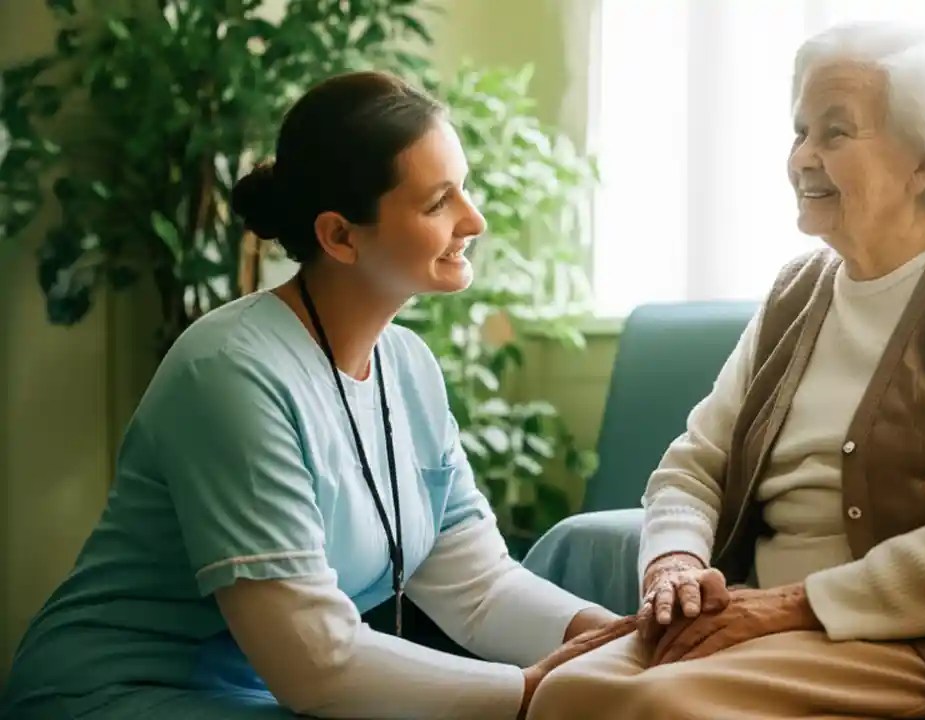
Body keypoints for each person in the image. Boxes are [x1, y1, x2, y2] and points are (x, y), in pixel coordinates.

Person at [524, 21, 925, 719]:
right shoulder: (799, 292)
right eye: (798, 130)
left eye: (835, 134)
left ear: (923, 160)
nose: (802, 156)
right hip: (765, 622)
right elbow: (694, 466)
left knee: (657, 709)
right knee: (556, 691)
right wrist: (674, 564)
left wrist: (791, 606)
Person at [0, 71, 631, 720]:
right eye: (439, 202)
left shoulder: (410, 368)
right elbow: (316, 664)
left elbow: (478, 588)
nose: (475, 219)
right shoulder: (230, 373)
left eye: (463, 189)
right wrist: (532, 694)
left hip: (268, 697)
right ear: (339, 236)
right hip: (113, 697)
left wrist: (626, 643)